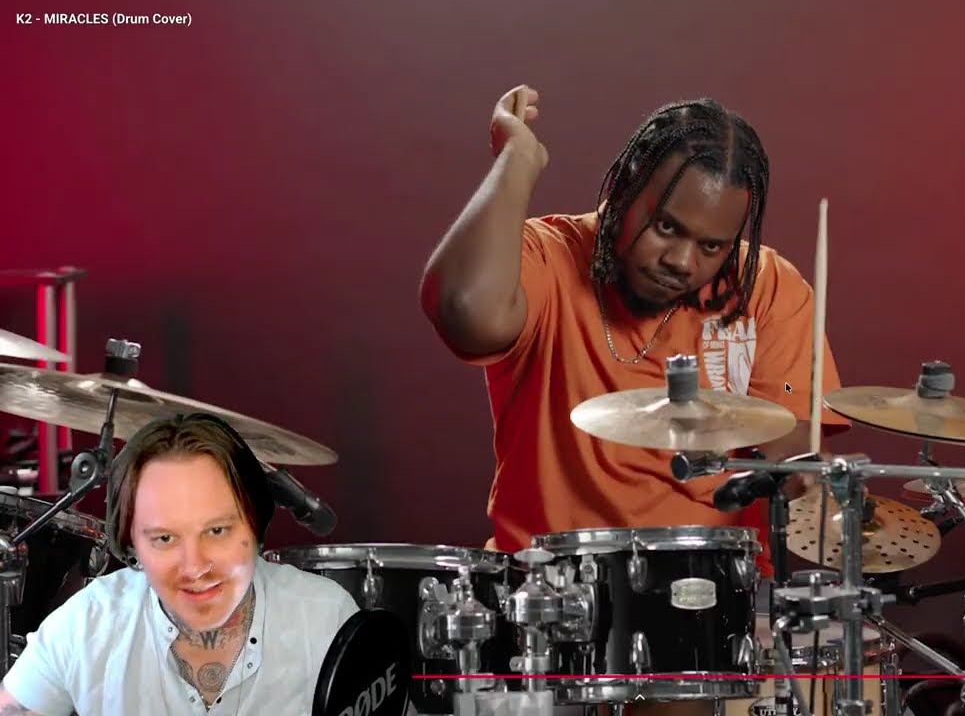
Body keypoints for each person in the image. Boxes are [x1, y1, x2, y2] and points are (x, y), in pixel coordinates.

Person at [420, 85, 846, 561]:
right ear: (624, 188)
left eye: (711, 247)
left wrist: (807, 475)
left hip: (714, 591)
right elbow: (463, 312)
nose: (682, 262)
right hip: (549, 585)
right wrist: (516, 161)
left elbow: (789, 440)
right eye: (666, 227)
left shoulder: (765, 285)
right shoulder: (548, 255)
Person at [0, 413, 359, 715]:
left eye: (216, 531)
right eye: (165, 539)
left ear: (255, 524)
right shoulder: (85, 625)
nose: (195, 566)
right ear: (131, 545)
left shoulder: (326, 619)